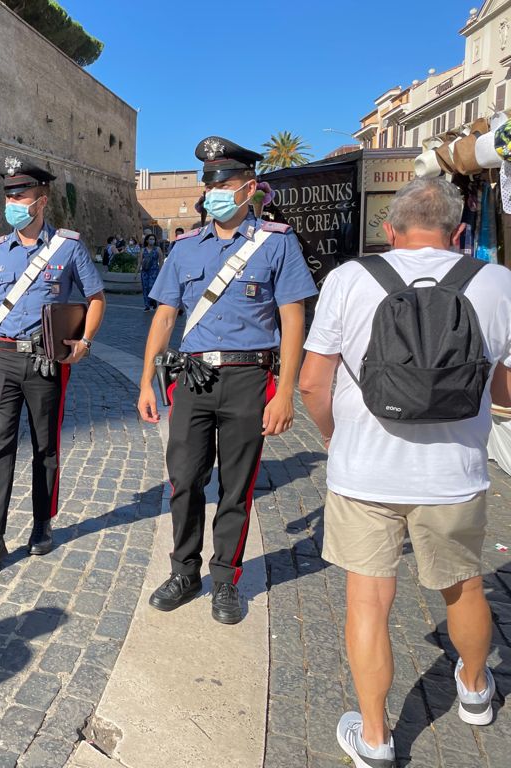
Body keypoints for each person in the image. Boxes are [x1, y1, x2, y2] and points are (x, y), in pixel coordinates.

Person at [299, 178, 506, 768]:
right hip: (455, 474)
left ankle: (375, 738)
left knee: (368, 601)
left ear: (388, 231)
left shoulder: (348, 278)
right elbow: (507, 387)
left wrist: (337, 439)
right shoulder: (496, 283)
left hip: (365, 472)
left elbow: (313, 382)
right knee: (464, 585)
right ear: (459, 231)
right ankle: (472, 690)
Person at [137, 137, 317, 624]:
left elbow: (293, 317)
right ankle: (183, 570)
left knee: (236, 488)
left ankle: (226, 579)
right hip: (192, 380)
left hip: (248, 378)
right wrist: (145, 380)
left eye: (226, 183)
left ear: (249, 188)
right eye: (210, 184)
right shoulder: (184, 248)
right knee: (184, 481)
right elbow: (165, 315)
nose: (215, 191)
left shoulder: (276, 243)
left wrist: (285, 392)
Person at [0, 158, 106, 568]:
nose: (12, 202)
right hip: (1, 359)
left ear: (41, 200)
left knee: (45, 446)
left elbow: (96, 299)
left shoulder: (68, 248)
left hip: (46, 361)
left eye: (20, 195)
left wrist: (84, 342)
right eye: (8, 195)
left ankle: (42, 521)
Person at [137, 233, 163, 311]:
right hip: (145, 271)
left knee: (151, 286)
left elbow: (161, 260)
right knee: (145, 288)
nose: (152, 241)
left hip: (154, 271)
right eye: (151, 239)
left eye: (153, 239)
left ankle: (153, 301)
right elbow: (140, 262)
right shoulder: (143, 250)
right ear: (147, 240)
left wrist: (161, 271)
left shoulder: (157, 249)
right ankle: (147, 305)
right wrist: (136, 273)